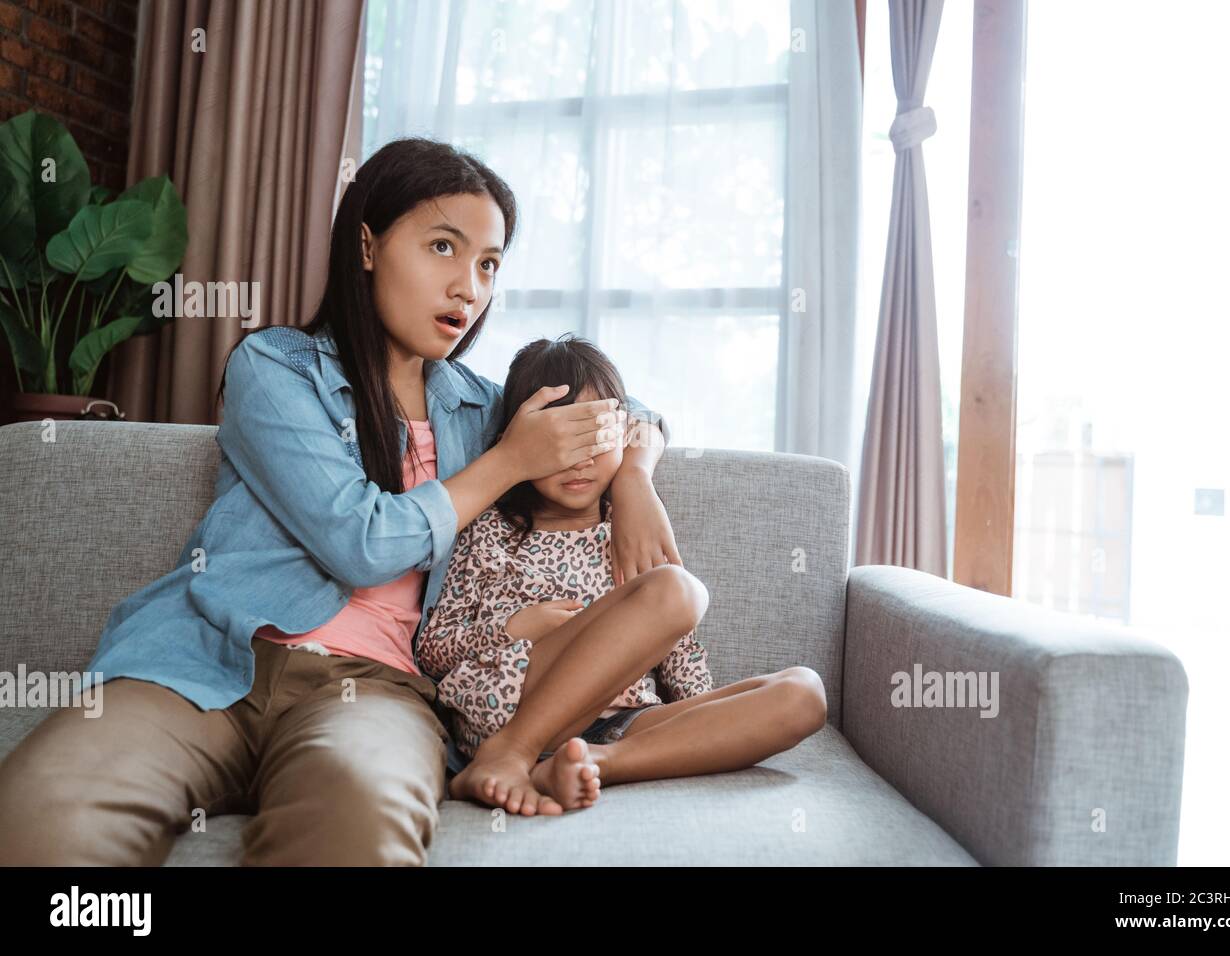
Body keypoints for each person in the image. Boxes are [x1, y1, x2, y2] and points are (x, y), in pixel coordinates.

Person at [0, 138, 676, 865]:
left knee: (356, 832)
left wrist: (635, 475)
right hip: (205, 663)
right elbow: (358, 541)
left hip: (376, 693)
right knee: (44, 816)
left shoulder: (483, 408)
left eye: (487, 264)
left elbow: (626, 406)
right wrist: (512, 459)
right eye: (442, 247)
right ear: (367, 244)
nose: (468, 288)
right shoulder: (277, 367)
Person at [419, 335, 828, 815]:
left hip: (623, 720)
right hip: (514, 699)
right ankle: (512, 751)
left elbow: (676, 644)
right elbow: (432, 649)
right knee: (678, 589)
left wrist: (705, 712)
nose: (580, 460)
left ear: (622, 431)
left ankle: (592, 764)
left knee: (803, 694)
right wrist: (513, 628)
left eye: (595, 436)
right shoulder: (491, 531)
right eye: (560, 441)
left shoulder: (628, 530)